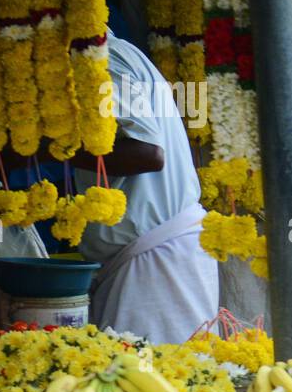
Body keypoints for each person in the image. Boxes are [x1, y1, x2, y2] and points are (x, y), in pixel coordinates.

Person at [72, 30, 217, 344]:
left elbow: (147, 153)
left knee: (155, 382)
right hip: (155, 257)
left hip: (156, 259)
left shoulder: (104, 60)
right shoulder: (118, 55)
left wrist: (53, 150)